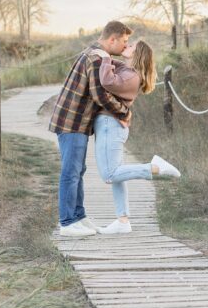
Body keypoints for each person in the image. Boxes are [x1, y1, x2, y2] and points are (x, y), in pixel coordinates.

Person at [49, 20, 133, 237]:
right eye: (124, 41)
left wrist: (127, 59)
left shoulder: (96, 54)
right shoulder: (97, 59)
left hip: (76, 122)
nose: (126, 46)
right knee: (71, 172)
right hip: (72, 122)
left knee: (78, 170)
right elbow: (100, 95)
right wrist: (123, 112)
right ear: (112, 39)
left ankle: (78, 216)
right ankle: (67, 222)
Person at [89, 40, 181, 235]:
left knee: (110, 174)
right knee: (117, 174)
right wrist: (105, 55)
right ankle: (122, 221)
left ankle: (155, 168)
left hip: (110, 125)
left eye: (131, 45)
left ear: (137, 53)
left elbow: (107, 81)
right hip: (110, 125)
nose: (126, 46)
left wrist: (105, 58)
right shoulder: (128, 70)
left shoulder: (132, 76)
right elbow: (113, 65)